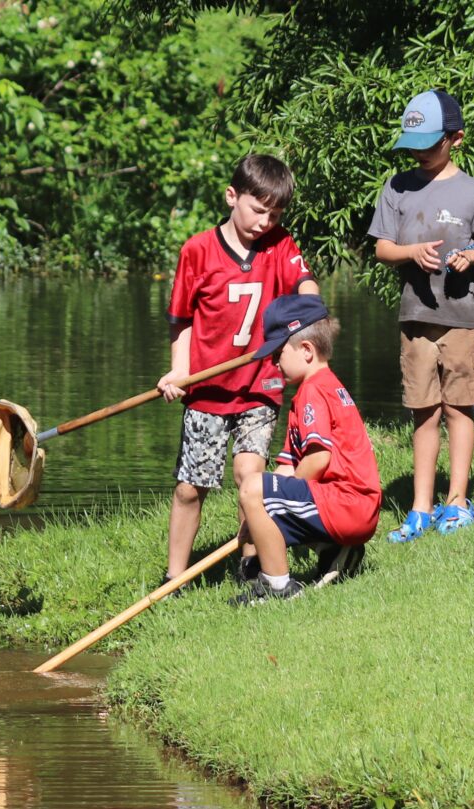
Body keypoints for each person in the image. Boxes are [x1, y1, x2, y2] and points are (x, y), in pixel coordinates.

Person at [157, 154, 320, 584]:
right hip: (207, 392)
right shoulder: (197, 250)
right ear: (232, 196)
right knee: (191, 487)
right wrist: (178, 371)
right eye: (258, 210)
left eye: (276, 214)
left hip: (259, 387)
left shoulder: (280, 245)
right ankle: (174, 578)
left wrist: (306, 302)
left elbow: (306, 284)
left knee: (251, 478)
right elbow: (182, 320)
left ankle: (252, 566)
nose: (265, 222)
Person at [366, 89, 474, 541]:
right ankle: (420, 508)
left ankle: (458, 501)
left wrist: (472, 257)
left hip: (463, 317)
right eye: (414, 144)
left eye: (430, 143)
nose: (420, 152)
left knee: (458, 407)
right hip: (416, 318)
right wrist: (411, 252)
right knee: (423, 411)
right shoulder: (396, 187)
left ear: (456, 138)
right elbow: (382, 247)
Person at [232, 294, 382, 604]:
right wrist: (256, 515)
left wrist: (266, 500)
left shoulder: (314, 391)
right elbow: (288, 465)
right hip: (353, 507)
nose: (274, 362)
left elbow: (318, 458)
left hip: (347, 505)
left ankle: (278, 586)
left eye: (278, 353)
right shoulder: (317, 388)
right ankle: (335, 550)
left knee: (253, 487)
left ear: (307, 351)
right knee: (259, 491)